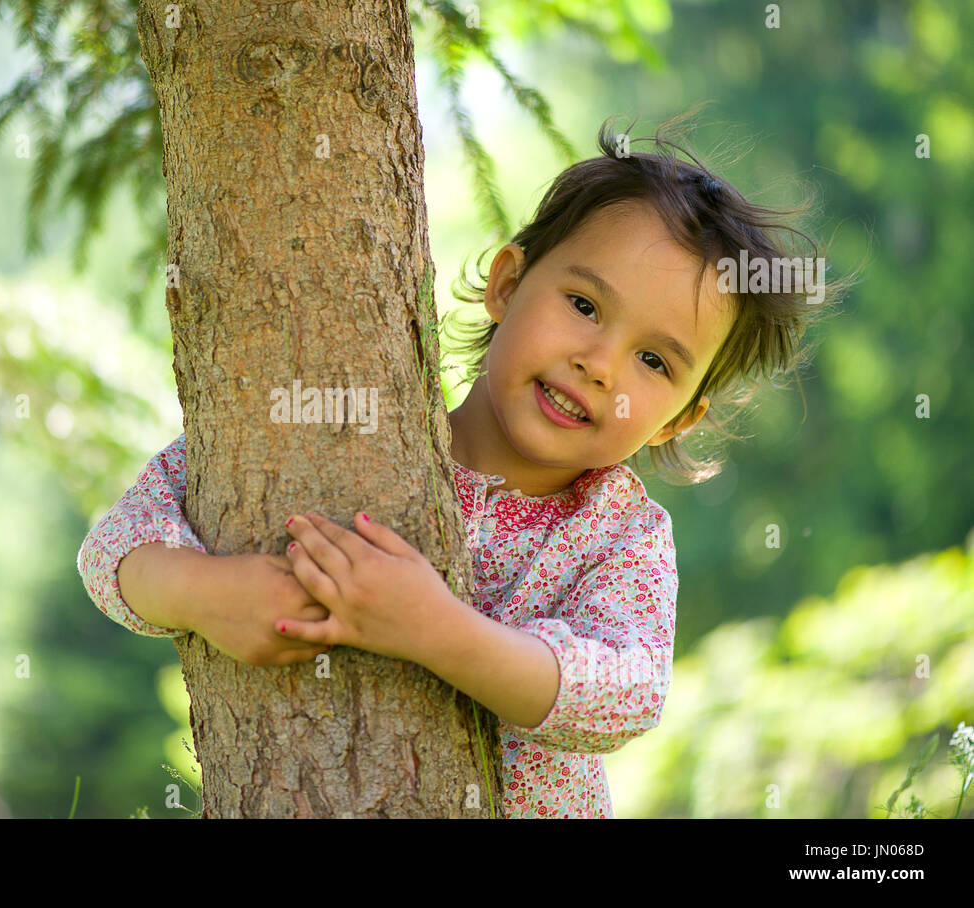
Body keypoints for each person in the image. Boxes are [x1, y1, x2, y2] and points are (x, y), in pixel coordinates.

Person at [76, 114, 850, 818]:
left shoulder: (618, 537)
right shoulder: (368, 435)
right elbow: (117, 542)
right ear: (508, 286)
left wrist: (437, 630)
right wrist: (204, 593)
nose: (599, 364)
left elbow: (625, 694)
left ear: (678, 419)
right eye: (584, 306)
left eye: (652, 359)